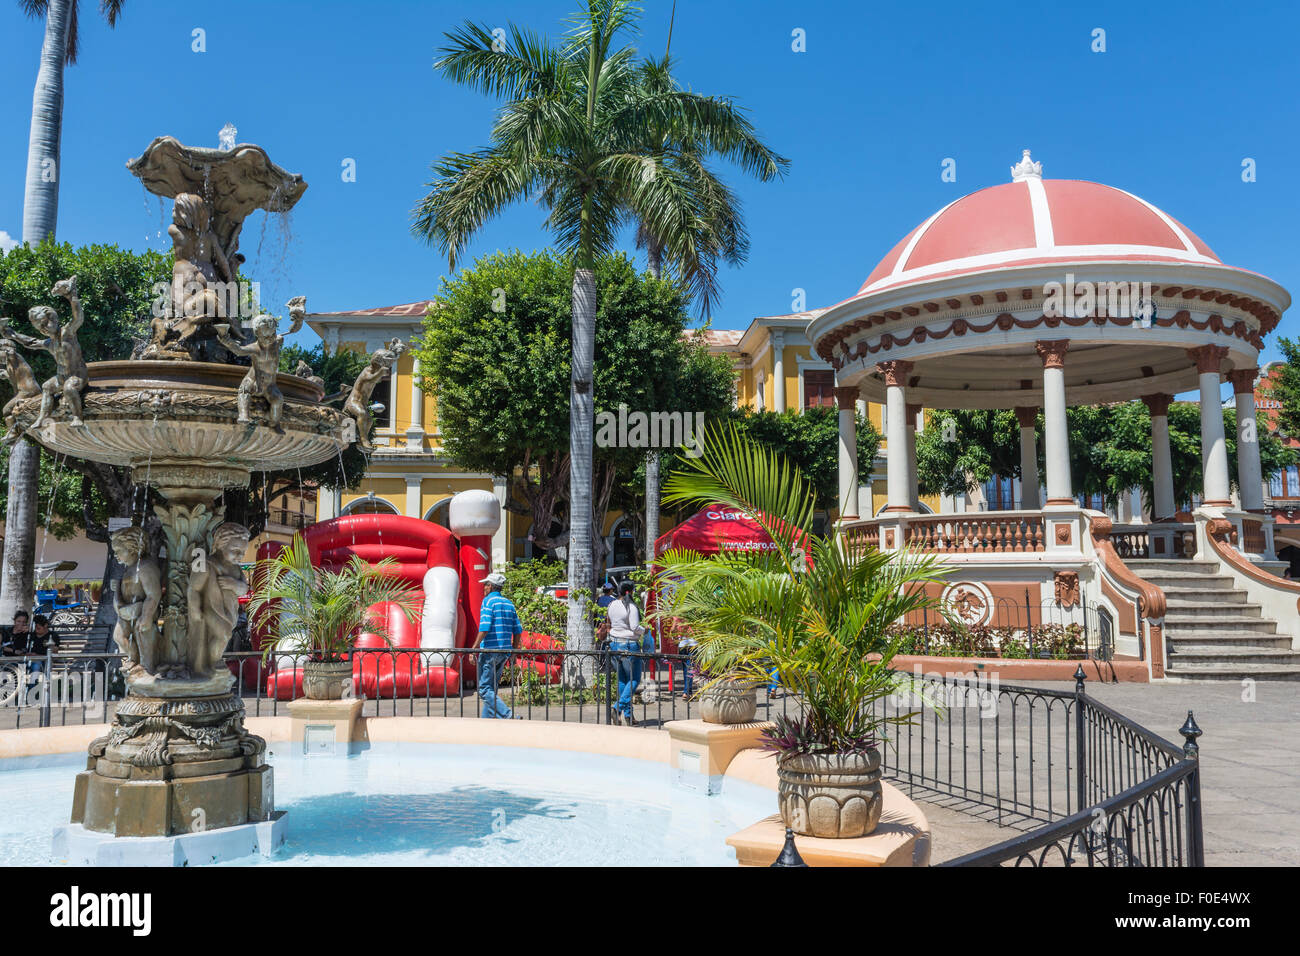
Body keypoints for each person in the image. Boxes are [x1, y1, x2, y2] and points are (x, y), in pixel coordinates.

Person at [472, 572, 521, 719]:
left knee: (484, 689)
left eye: (485, 585)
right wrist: (513, 649)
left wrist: (473, 648)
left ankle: (507, 715)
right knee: (491, 688)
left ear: (491, 586)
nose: (483, 588)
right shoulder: (509, 603)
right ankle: (487, 721)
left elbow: (484, 628)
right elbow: (518, 629)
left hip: (489, 651)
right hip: (504, 652)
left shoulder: (488, 602)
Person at [607, 582, 643, 726]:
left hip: (615, 643)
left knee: (623, 680)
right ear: (631, 591)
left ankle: (628, 716)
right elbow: (634, 627)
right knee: (634, 679)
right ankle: (617, 707)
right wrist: (644, 630)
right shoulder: (631, 607)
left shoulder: (612, 605)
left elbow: (610, 623)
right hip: (629, 645)